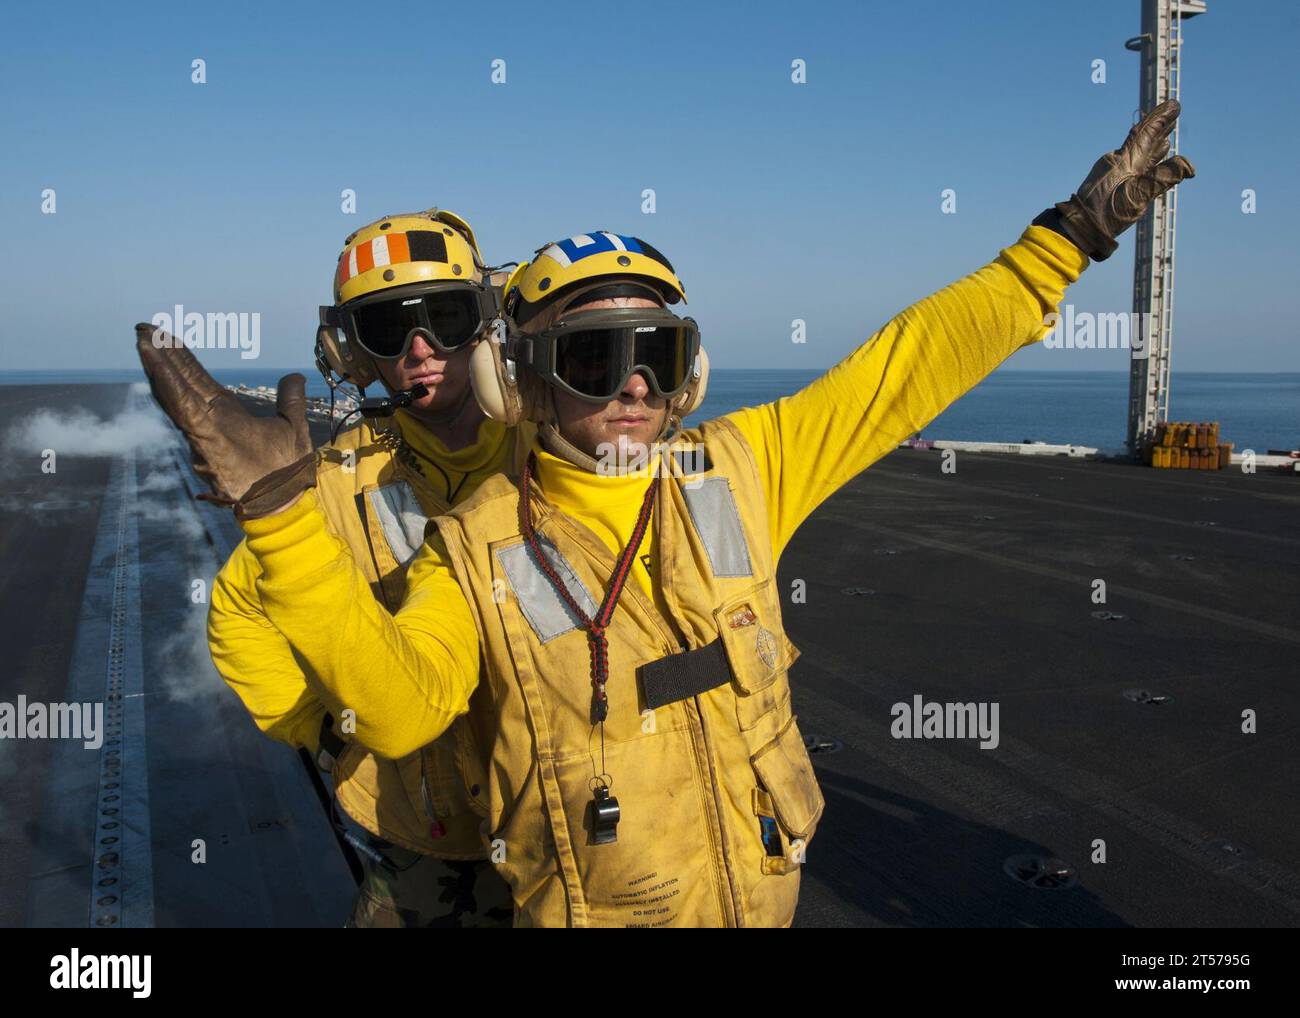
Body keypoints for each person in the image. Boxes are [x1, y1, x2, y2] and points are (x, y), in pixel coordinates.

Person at [140, 102, 1194, 926]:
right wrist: (281, 516)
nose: (631, 386)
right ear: (524, 383)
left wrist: (1072, 234)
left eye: (658, 355)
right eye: (593, 359)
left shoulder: (736, 467)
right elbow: (405, 707)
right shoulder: (472, 543)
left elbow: (906, 368)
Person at [139, 207, 523, 927]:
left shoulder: (553, 456)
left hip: (559, 822)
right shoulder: (330, 484)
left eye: (446, 314)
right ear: (349, 352)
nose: (420, 347)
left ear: (488, 322)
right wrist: (320, 731)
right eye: (387, 327)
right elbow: (238, 615)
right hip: (424, 841)